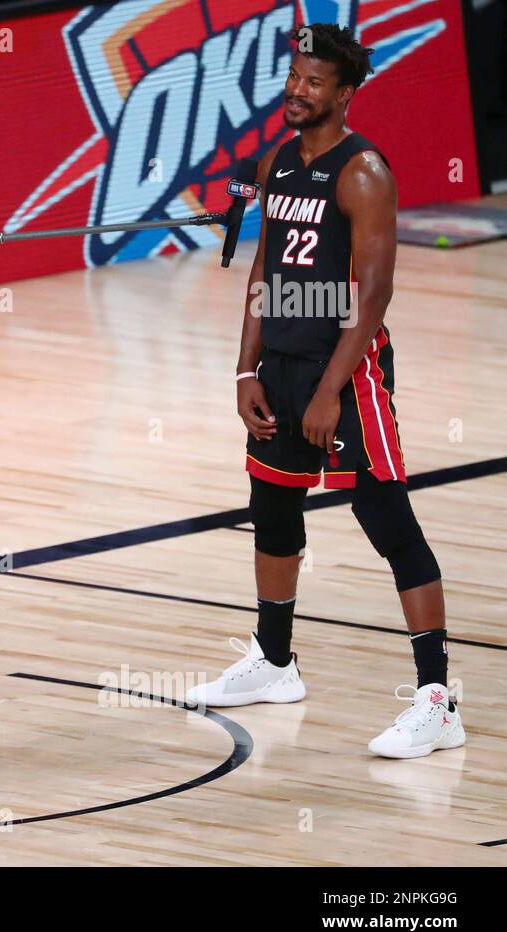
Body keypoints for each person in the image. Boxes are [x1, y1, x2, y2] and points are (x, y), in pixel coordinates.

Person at [186, 25, 466, 759]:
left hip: (346, 370)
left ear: (344, 94)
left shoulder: (363, 171)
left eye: (313, 82)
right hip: (280, 364)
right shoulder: (277, 160)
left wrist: (330, 391)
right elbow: (262, 273)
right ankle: (274, 663)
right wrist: (247, 370)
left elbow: (373, 294)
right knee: (272, 511)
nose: (296, 91)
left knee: (387, 523)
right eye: (293, 77)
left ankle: (437, 700)